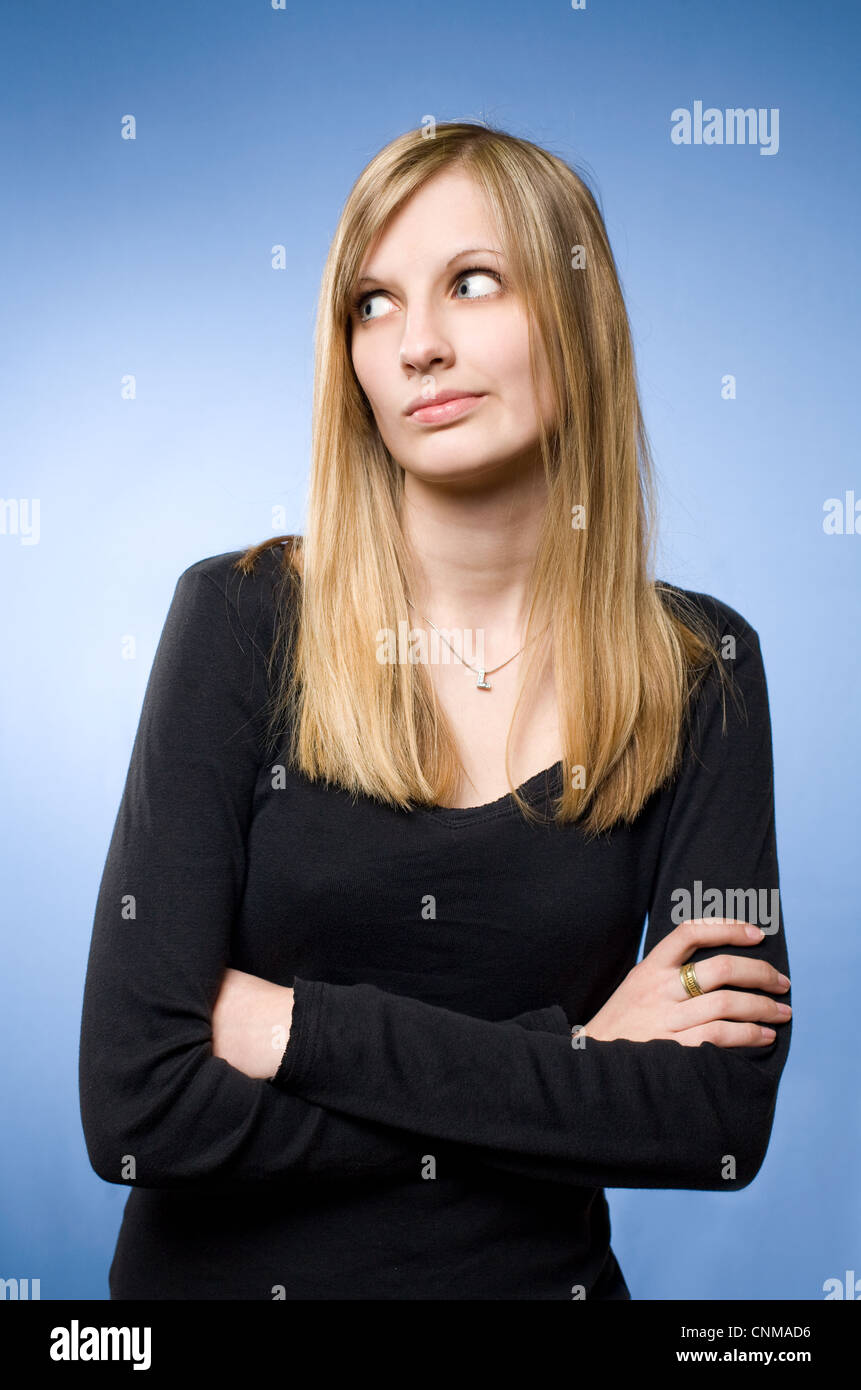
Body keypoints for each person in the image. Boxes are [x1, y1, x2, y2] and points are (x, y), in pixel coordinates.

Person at [79, 121, 792, 1300]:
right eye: (373, 302)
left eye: (472, 282)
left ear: (577, 318)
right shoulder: (239, 617)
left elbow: (713, 1121)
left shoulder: (700, 665)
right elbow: (136, 1106)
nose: (416, 346)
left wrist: (298, 1034)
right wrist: (573, 1065)